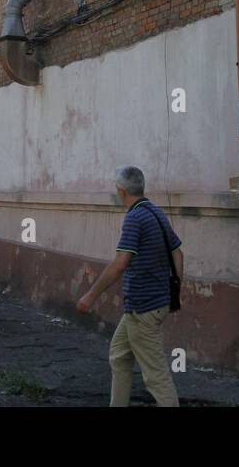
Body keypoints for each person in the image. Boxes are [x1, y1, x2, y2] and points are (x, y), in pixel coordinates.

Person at [75, 165, 182, 407]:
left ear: (121, 191)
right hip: (149, 305)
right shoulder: (156, 213)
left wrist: (91, 295)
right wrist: (174, 291)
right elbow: (178, 253)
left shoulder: (134, 218)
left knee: (156, 377)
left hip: (143, 308)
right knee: (119, 355)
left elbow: (120, 263)